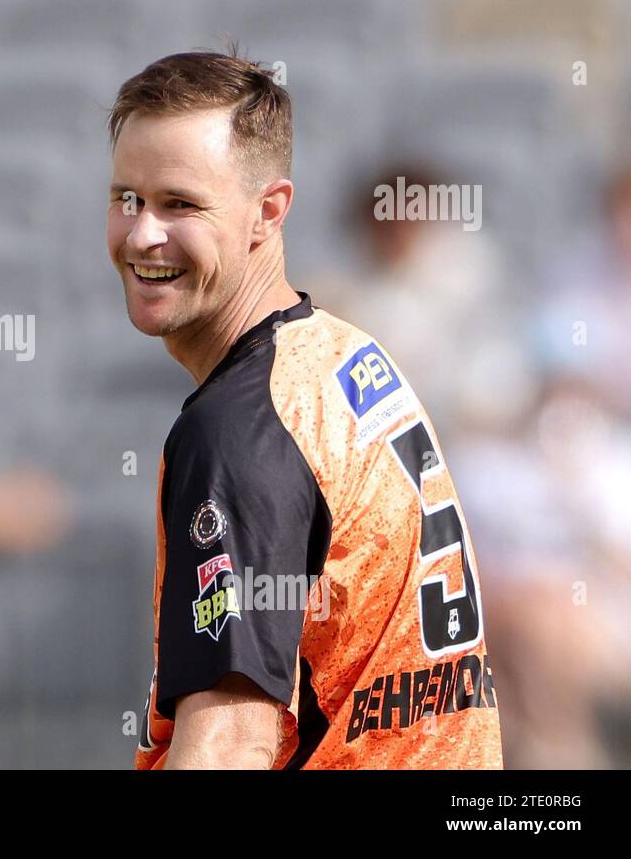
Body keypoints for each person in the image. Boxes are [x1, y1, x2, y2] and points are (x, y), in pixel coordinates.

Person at [106, 51, 502, 769]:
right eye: (128, 198)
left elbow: (228, 748)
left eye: (180, 204)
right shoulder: (345, 358)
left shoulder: (238, 429)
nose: (141, 235)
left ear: (268, 211)